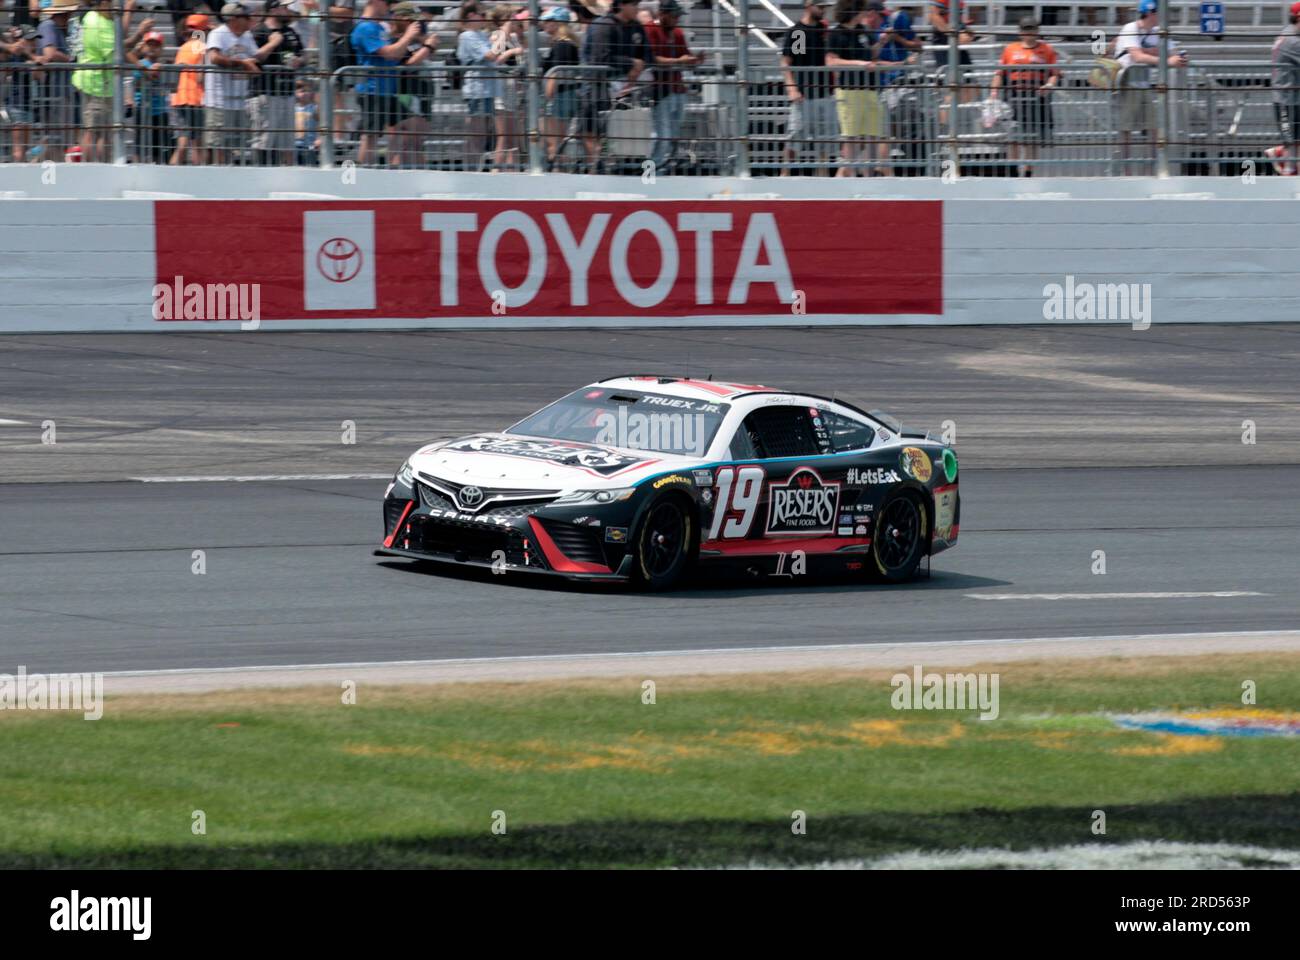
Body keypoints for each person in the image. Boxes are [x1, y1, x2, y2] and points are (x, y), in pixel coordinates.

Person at [1115, 0, 1187, 166]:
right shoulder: (1131, 28)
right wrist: (1167, 61)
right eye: (1158, 12)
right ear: (1150, 13)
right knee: (1126, 128)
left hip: (1142, 83)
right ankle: (1125, 169)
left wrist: (1181, 58)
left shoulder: (1156, 32)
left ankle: (1153, 166)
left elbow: (1173, 51)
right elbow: (1137, 57)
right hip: (1127, 82)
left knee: (1154, 126)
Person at [578, 0, 647, 172]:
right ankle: (595, 166)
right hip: (596, 87)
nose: (637, 9)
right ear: (622, 5)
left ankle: (606, 165)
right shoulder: (603, 25)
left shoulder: (635, 26)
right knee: (591, 131)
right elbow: (600, 59)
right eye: (634, 5)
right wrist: (632, 63)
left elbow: (647, 55)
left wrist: (637, 68)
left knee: (612, 131)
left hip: (622, 90)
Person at [352, 0, 422, 166]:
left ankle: (393, 168)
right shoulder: (365, 28)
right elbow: (388, 54)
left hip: (386, 90)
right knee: (371, 136)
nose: (390, 7)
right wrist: (408, 36)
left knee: (411, 125)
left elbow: (397, 55)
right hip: (372, 90)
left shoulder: (380, 28)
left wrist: (402, 36)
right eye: (388, 2)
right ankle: (362, 174)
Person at [990, 16, 1058, 178]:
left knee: (1031, 138)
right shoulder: (1010, 49)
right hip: (1014, 94)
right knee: (1013, 136)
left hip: (1037, 94)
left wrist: (1049, 85)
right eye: (1026, 30)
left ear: (1037, 31)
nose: (1029, 33)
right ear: (1020, 32)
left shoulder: (1047, 49)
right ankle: (1013, 170)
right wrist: (993, 93)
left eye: (1032, 29)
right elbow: (999, 73)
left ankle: (1028, 172)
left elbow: (1054, 74)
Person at [826, 0, 880, 178]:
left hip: (870, 89)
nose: (865, 13)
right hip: (849, 90)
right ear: (853, 11)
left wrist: (884, 41)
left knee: (872, 135)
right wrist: (858, 64)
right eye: (862, 10)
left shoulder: (863, 31)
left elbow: (871, 55)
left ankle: (869, 178)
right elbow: (831, 61)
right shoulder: (836, 34)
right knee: (851, 137)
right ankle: (847, 178)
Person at [781, 0, 836, 176]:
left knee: (825, 141)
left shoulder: (824, 31)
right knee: (795, 137)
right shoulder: (799, 33)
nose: (824, 11)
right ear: (809, 5)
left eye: (825, 8)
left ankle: (823, 176)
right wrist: (792, 88)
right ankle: (785, 175)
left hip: (824, 93)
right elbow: (788, 63)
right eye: (820, 7)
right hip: (804, 94)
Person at [645, 0, 699, 174]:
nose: (677, 19)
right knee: (661, 135)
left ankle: (666, 168)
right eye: (674, 16)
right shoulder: (649, 30)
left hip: (677, 90)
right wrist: (680, 61)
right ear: (662, 14)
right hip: (660, 91)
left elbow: (686, 58)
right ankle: (651, 171)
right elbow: (652, 59)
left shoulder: (677, 33)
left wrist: (694, 61)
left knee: (673, 135)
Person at [250, 0, 306, 165]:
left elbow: (303, 54)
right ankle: (260, 174)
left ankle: (288, 175)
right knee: (265, 139)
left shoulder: (291, 32)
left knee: (287, 141)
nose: (288, 10)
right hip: (265, 93)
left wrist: (299, 61)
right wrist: (273, 42)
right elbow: (254, 57)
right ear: (273, 9)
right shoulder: (259, 31)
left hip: (287, 93)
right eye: (284, 7)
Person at [204, 2, 260, 165]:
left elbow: (255, 57)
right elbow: (214, 57)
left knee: (232, 144)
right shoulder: (218, 33)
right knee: (215, 144)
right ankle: (210, 175)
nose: (249, 20)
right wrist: (242, 64)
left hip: (239, 101)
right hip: (219, 100)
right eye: (245, 17)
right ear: (233, 18)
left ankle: (228, 173)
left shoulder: (247, 36)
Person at [388, 1, 440, 168]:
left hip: (422, 90)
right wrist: (428, 47)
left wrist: (424, 43)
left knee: (417, 142)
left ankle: (419, 176)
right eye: (412, 20)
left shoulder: (416, 37)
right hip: (405, 91)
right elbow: (409, 64)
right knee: (405, 140)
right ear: (400, 18)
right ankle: (395, 178)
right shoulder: (395, 39)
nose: (416, 24)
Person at [69, 0, 115, 162]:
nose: (116, 6)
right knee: (96, 132)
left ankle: (94, 167)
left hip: (92, 81)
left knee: (97, 131)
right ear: (104, 3)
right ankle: (92, 168)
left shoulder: (90, 17)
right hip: (97, 84)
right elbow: (115, 55)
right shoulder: (99, 22)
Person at [34, 0, 76, 162]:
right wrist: (72, 60)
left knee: (58, 141)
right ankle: (36, 169)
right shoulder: (48, 26)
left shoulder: (57, 29)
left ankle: (44, 170)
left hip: (60, 94)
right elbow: (50, 53)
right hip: (53, 95)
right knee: (55, 141)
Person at [540, 5, 579, 165]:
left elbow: (557, 73)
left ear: (558, 23)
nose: (545, 24)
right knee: (555, 141)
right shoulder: (565, 44)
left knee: (554, 142)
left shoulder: (562, 44)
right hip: (563, 96)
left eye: (548, 21)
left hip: (560, 98)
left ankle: (557, 173)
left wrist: (548, 98)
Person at [170, 12, 211, 165]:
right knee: (198, 144)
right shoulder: (203, 48)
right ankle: (200, 177)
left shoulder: (184, 48)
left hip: (180, 98)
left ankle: (170, 174)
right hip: (196, 99)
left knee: (182, 143)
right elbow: (201, 77)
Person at [127, 31, 172, 163]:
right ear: (144, 47)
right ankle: (137, 168)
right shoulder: (140, 64)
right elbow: (144, 79)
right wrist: (149, 70)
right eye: (149, 45)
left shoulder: (163, 64)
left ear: (161, 49)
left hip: (160, 110)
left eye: (156, 45)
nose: (152, 48)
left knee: (160, 147)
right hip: (143, 109)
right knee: (139, 144)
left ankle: (159, 168)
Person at [1266, 1, 1300, 176]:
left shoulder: (1289, 34)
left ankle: (1279, 153)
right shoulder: (1292, 41)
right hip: (1286, 99)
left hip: (1292, 97)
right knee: (1293, 144)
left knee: (1295, 143)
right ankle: (1288, 173)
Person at [1, 25, 40, 163]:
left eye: (35, 39)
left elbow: (39, 75)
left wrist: (32, 58)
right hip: (16, 104)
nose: (34, 43)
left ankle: (24, 173)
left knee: (27, 148)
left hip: (28, 105)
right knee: (19, 149)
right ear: (21, 40)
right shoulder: (14, 56)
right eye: (30, 40)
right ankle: (18, 175)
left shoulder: (30, 56)